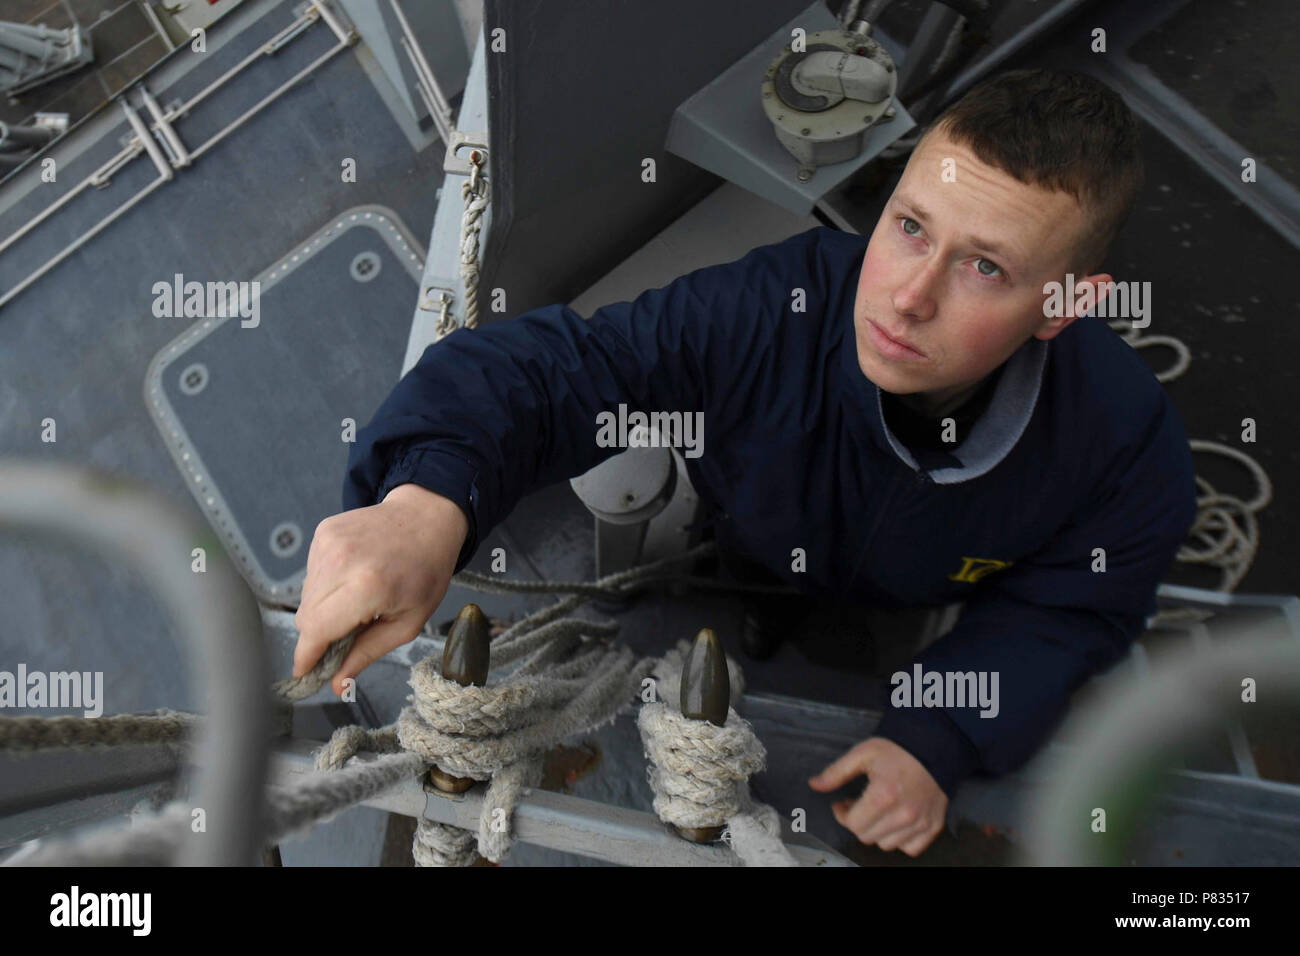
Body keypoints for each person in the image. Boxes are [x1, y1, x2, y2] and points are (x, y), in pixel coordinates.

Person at [293, 68, 1197, 858]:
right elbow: (569, 372)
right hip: (755, 536)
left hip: (910, 594)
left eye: (986, 269)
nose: (906, 297)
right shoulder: (777, 307)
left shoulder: (1125, 447)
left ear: (1067, 303)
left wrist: (940, 736)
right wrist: (427, 496)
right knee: (750, 594)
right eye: (911, 226)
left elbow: (1076, 606)